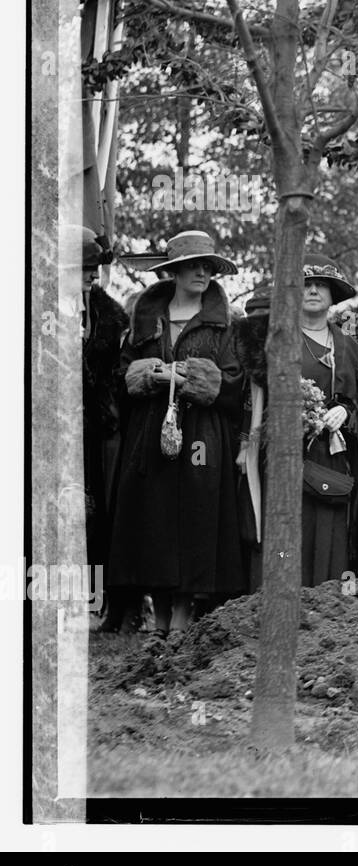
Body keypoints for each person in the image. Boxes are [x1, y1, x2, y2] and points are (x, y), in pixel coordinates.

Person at [108, 230, 245, 635]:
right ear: (174, 272)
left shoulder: (225, 325)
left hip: (202, 434)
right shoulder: (146, 319)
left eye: (208, 266)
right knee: (153, 518)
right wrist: (150, 373)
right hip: (151, 431)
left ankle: (185, 614)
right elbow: (122, 375)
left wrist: (193, 378)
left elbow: (235, 382)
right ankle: (161, 612)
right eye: (193, 266)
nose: (202, 273)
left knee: (196, 517)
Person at [234, 256, 358, 588]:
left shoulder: (349, 347)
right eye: (305, 284)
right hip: (282, 451)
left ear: (333, 294)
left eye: (321, 284)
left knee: (327, 531)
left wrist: (346, 413)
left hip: (330, 456)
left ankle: (323, 616)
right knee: (284, 529)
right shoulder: (274, 339)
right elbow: (251, 399)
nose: (313, 290)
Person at [72, 229, 132, 630]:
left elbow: (115, 374)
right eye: (84, 267)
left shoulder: (111, 317)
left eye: (96, 267)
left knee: (94, 514)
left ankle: (96, 607)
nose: (93, 275)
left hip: (96, 429)